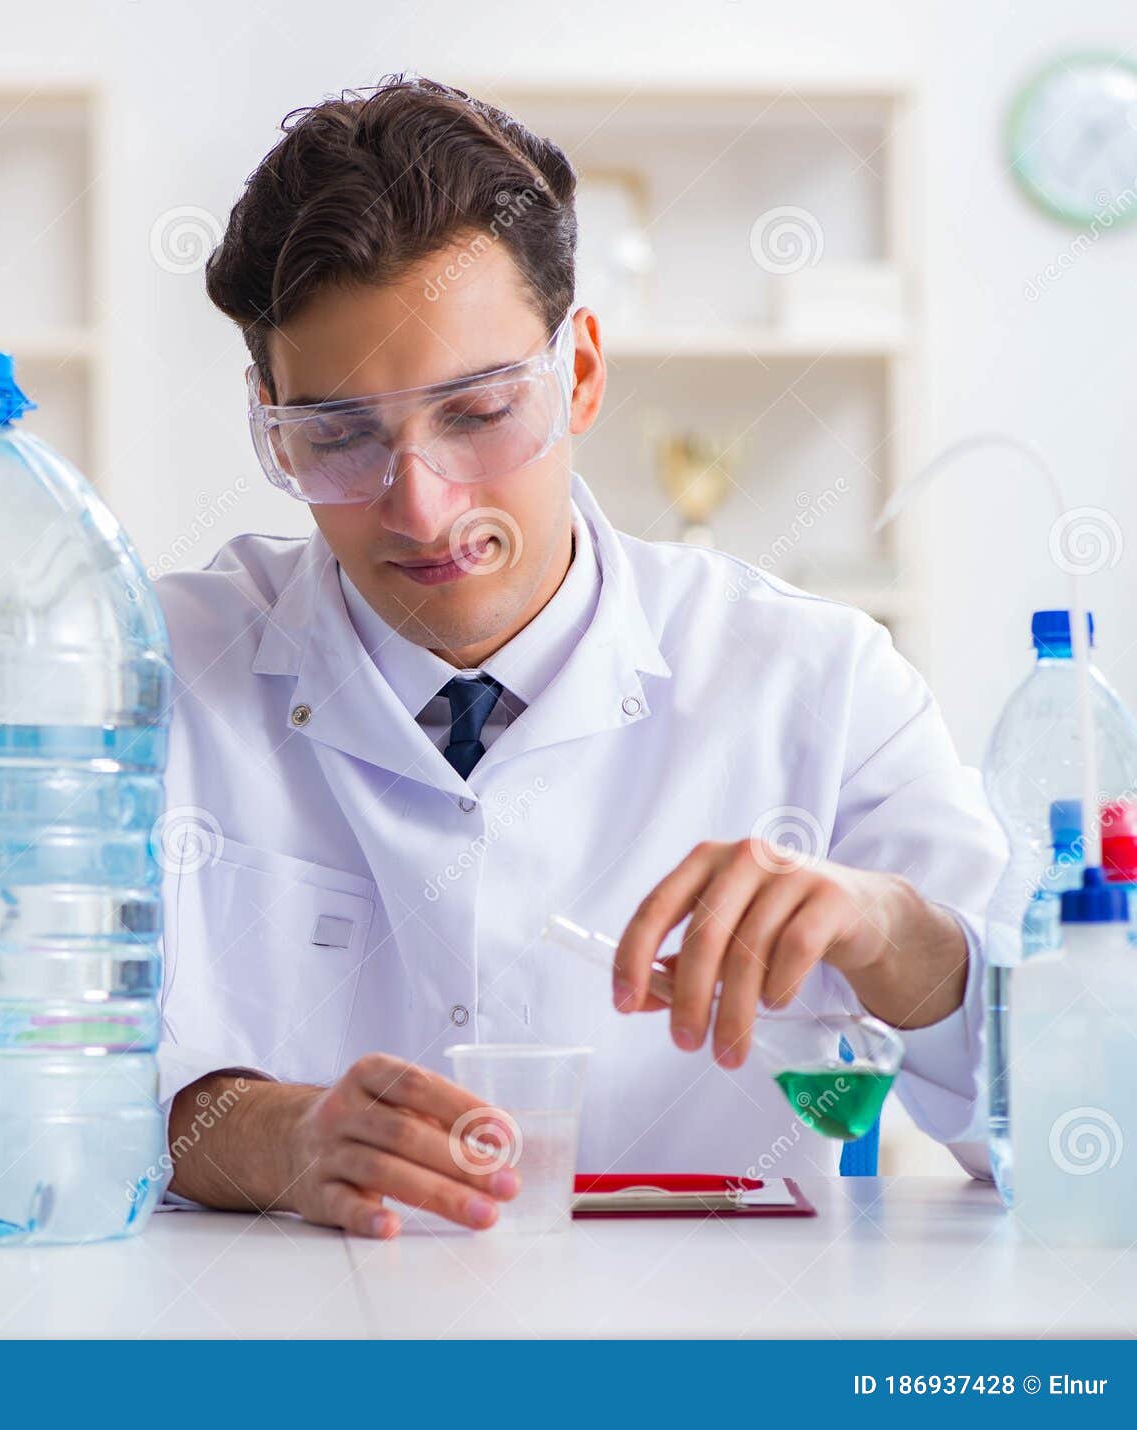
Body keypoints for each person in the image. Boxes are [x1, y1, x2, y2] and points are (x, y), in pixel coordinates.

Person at [153, 76, 1005, 1239]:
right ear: (272, 426)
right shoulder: (150, 674)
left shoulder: (816, 683)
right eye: (339, 435)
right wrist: (277, 1136)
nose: (419, 505)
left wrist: (894, 934)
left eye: (475, 411)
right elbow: (13, 1085)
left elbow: (1067, 1129)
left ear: (582, 375)